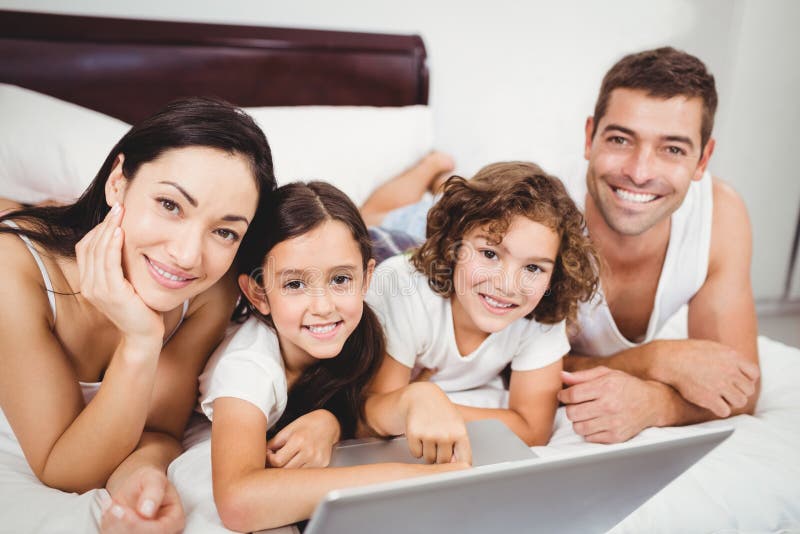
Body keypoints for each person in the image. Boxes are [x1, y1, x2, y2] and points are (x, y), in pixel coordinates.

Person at [366, 47, 761, 445]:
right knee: (376, 224)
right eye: (621, 139)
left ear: (703, 159)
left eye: (672, 149)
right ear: (589, 137)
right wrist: (655, 360)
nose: (640, 173)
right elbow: (502, 358)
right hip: (422, 236)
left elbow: (739, 386)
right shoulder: (540, 218)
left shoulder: (720, 217)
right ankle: (433, 175)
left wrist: (659, 403)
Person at [0, 97, 276, 532]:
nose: (187, 255)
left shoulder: (210, 290)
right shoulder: (13, 271)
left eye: (224, 231)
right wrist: (143, 340)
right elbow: (62, 470)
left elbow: (159, 433)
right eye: (170, 205)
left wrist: (141, 481)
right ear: (118, 182)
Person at [187, 181, 467, 533]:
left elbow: (358, 406)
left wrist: (415, 399)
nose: (323, 307)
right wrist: (408, 479)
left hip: (391, 242)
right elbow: (238, 501)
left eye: (340, 279)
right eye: (294, 285)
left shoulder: (359, 327)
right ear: (258, 293)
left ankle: (426, 176)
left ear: (366, 279)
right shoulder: (246, 368)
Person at [363, 162, 598, 462]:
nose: (507, 285)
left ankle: (440, 183)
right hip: (393, 247)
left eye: (533, 267)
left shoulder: (543, 305)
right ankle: (430, 169)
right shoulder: (403, 290)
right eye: (490, 253)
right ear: (455, 244)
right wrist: (410, 405)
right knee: (368, 222)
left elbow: (533, 428)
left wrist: (434, 407)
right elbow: (375, 416)